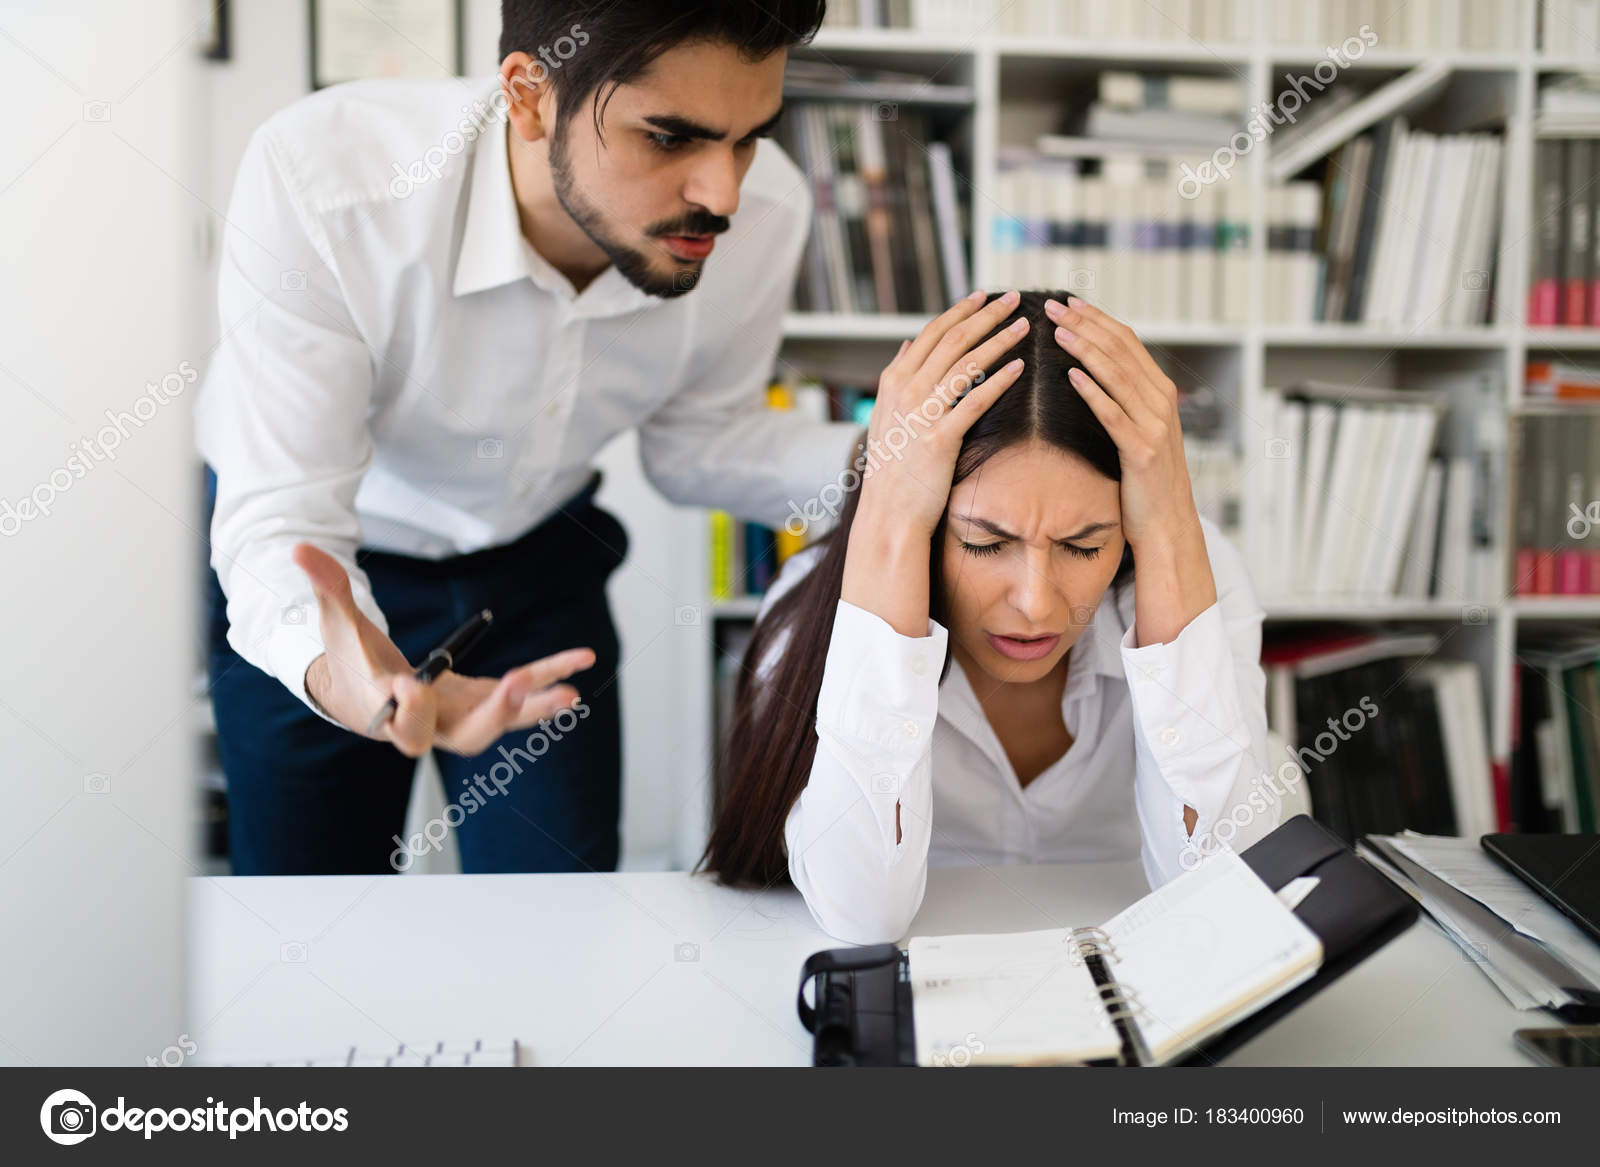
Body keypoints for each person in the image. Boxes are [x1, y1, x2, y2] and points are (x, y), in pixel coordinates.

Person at [196, 1, 856, 875]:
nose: (722, 194)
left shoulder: (767, 212)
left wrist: (912, 460)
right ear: (530, 96)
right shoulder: (326, 180)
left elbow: (701, 441)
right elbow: (283, 513)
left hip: (539, 571)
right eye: (668, 138)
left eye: (748, 138)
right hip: (325, 575)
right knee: (306, 925)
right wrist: (340, 666)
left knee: (561, 931)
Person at [700, 290, 1281, 943]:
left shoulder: (1190, 572)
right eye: (984, 542)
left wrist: (1172, 526)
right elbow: (862, 915)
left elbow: (1225, 898)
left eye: (1084, 544)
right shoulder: (809, 606)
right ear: (923, 522)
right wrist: (886, 519)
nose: (1036, 603)